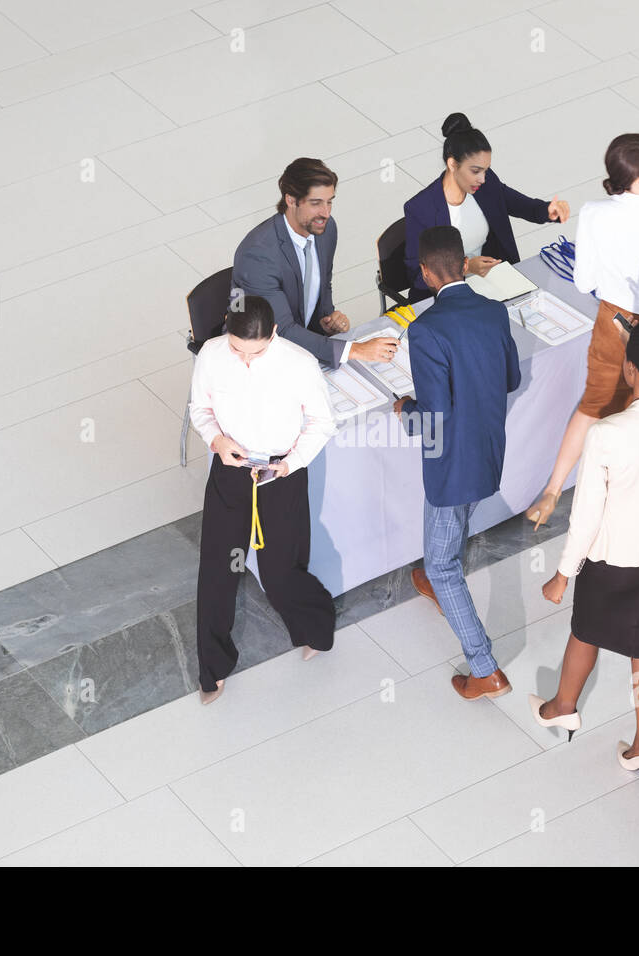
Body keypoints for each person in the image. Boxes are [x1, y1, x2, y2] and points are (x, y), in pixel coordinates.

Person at [534, 322, 639, 781]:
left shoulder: (608, 432)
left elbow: (587, 513)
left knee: (585, 632)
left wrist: (563, 573)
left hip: (610, 559)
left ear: (629, 370)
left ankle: (562, 707)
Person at [526, 132, 639, 529]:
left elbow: (583, 282)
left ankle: (553, 489)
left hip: (608, 322)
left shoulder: (593, 212)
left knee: (594, 404)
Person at [188, 295, 338, 705]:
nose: (246, 359)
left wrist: (291, 464)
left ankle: (315, 624)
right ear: (226, 330)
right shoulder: (212, 355)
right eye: (238, 349)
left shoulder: (299, 364)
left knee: (281, 572)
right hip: (230, 470)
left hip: (281, 474)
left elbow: (323, 422)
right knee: (217, 570)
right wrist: (216, 440)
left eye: (256, 351)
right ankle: (212, 668)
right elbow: (199, 408)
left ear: (273, 334)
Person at [394, 226, 521, 700]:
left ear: (426, 274)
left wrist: (405, 409)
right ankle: (433, 574)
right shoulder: (493, 310)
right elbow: (509, 377)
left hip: (451, 463)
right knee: (448, 537)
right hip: (488, 448)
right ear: (464, 263)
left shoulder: (425, 330)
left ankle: (485, 668)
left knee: (445, 564)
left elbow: (435, 419)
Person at [233, 157, 398, 367]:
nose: (326, 213)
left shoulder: (326, 230)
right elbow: (281, 331)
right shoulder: (258, 254)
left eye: (329, 201)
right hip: (260, 356)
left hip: (302, 343)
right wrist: (355, 350)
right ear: (291, 200)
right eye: (316, 203)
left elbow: (323, 283)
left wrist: (327, 319)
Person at [403, 112, 569, 302]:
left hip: (493, 284)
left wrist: (547, 210)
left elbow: (519, 204)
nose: (482, 178)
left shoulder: (486, 184)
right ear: (452, 164)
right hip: (447, 297)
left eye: (486, 170)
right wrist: (465, 268)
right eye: (475, 171)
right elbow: (417, 277)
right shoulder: (420, 208)